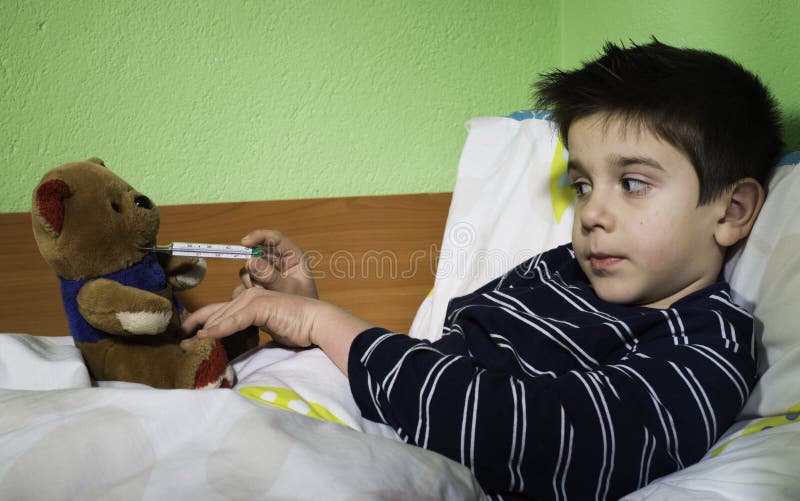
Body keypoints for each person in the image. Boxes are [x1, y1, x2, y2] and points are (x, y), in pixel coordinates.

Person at [180, 39, 783, 500]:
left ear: (732, 211)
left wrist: (326, 326)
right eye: (581, 184)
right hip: (374, 418)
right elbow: (436, 363)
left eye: (632, 183)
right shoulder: (559, 270)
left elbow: (536, 438)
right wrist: (311, 321)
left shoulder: (706, 344)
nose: (593, 212)